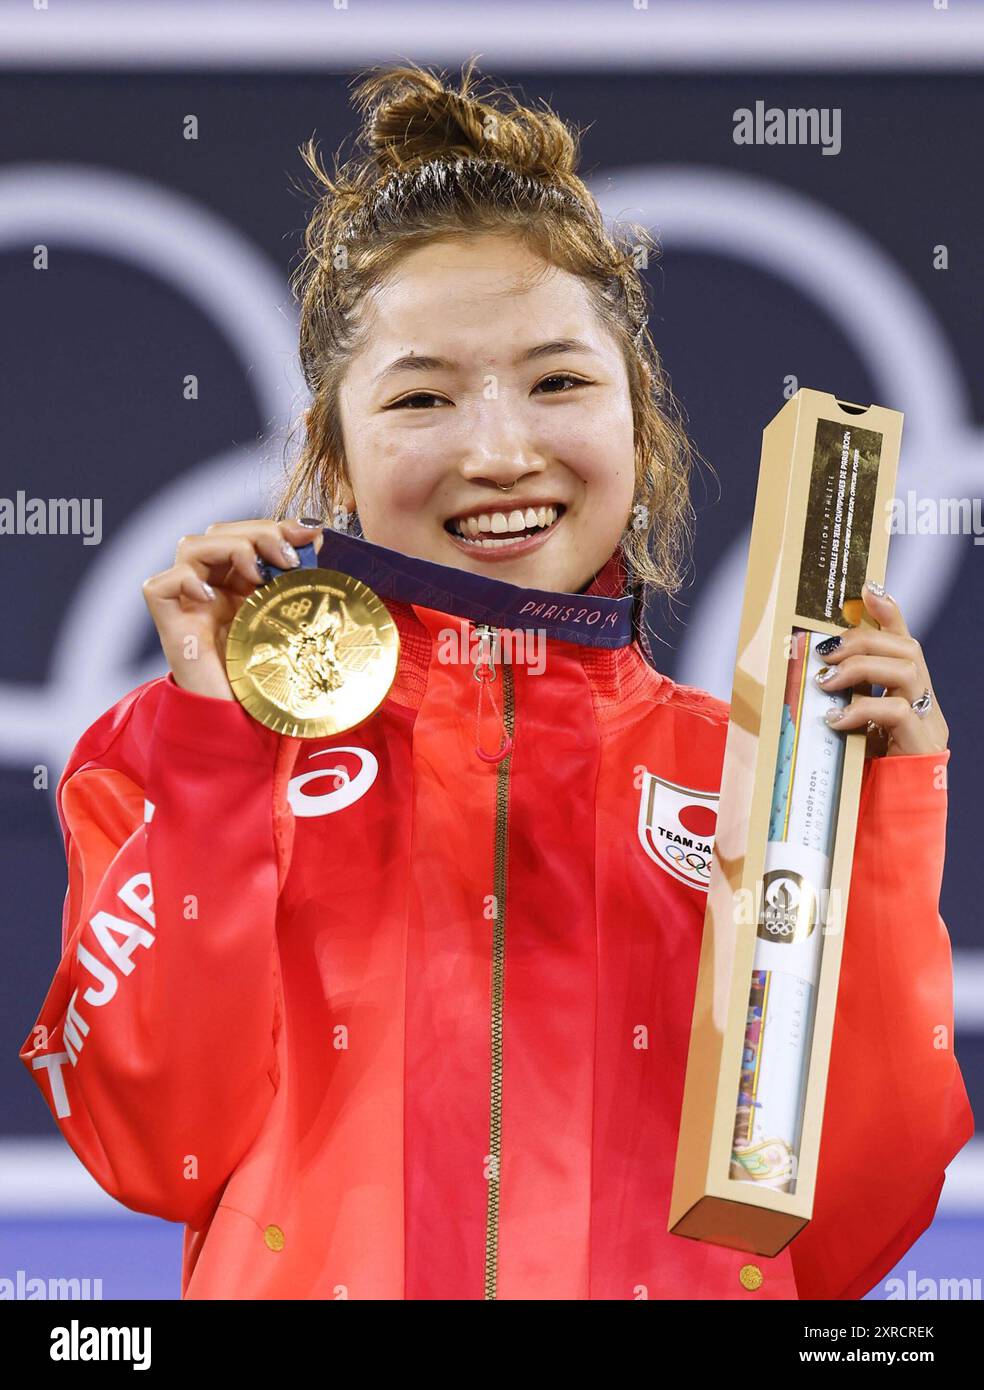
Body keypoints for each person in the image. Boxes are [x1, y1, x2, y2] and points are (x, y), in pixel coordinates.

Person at [19, 60, 972, 1301]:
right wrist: (213, 751)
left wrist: (879, 826)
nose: (500, 449)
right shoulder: (200, 743)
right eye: (422, 396)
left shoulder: (751, 772)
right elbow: (157, 1148)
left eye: (559, 381)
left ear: (639, 417)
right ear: (339, 454)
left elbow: (842, 1232)